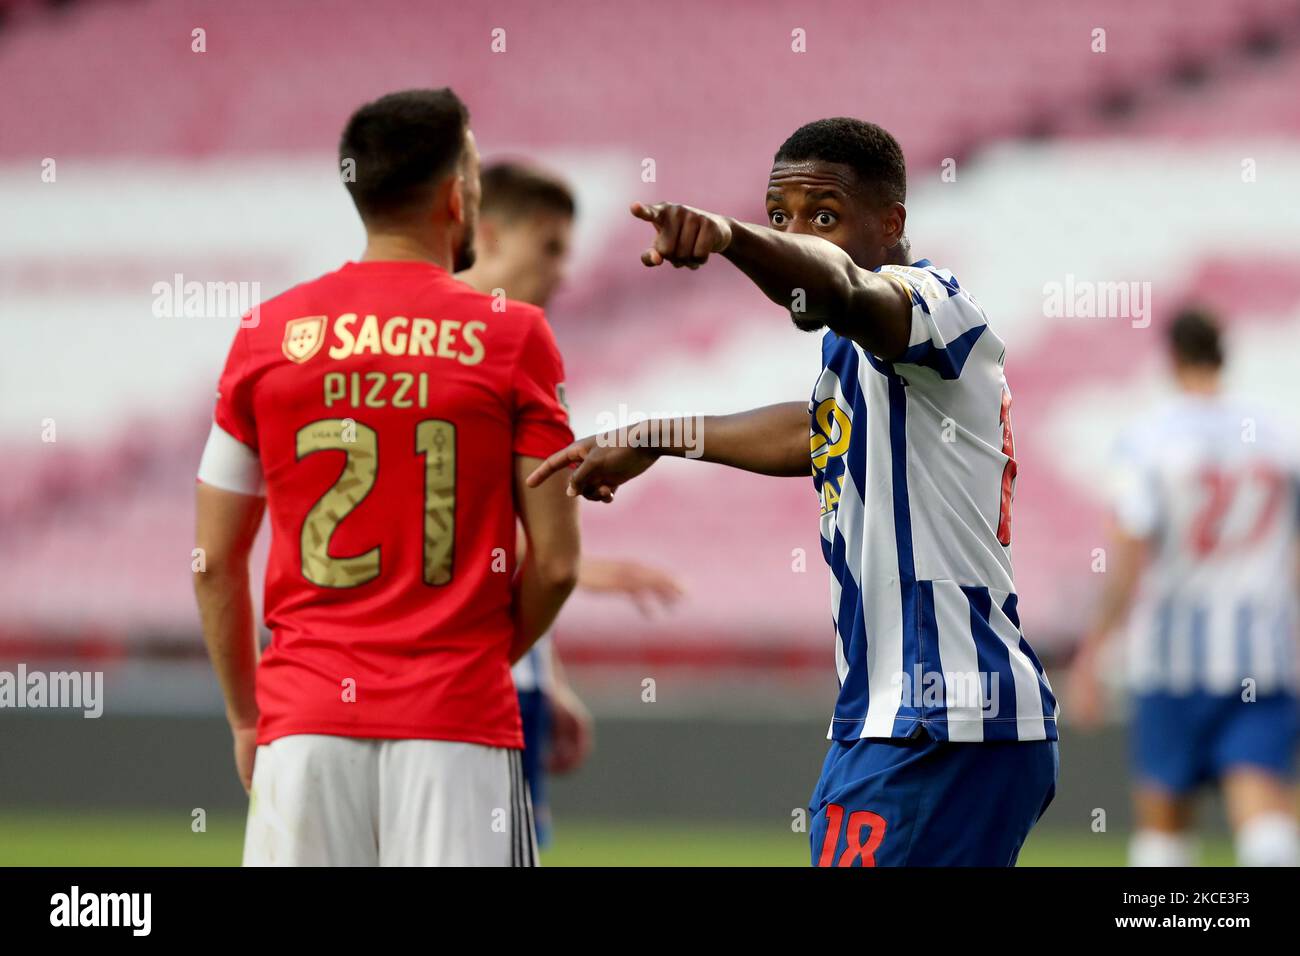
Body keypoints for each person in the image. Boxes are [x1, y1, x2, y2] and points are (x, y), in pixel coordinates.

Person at [528, 117, 1059, 866]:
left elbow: (835, 282)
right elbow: (814, 434)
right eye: (782, 216)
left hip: (940, 721)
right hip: (901, 719)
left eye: (824, 216)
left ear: (892, 222)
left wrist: (733, 237)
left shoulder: (931, 303)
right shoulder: (860, 355)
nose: (800, 232)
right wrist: (654, 435)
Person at [192, 88, 580, 866]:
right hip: (455, 729)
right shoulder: (514, 336)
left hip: (302, 729)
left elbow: (213, 561)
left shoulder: (268, 333)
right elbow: (559, 563)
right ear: (455, 193)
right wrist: (471, 660)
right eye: (471, 170)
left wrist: (246, 718)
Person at [459, 160, 684, 845]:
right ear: (489, 235)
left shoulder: (520, 349)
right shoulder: (467, 356)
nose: (562, 272)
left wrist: (542, 672)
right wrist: (578, 567)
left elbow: (499, 531)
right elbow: (461, 535)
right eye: (550, 247)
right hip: (463, 682)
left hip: (504, 672)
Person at [1070, 306, 1299, 867]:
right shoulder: (1277, 440)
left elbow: (1129, 553)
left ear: (1171, 356)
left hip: (1170, 660)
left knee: (1165, 819)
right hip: (1263, 655)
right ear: (1224, 352)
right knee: (1265, 806)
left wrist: (1093, 653)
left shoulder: (1147, 441)